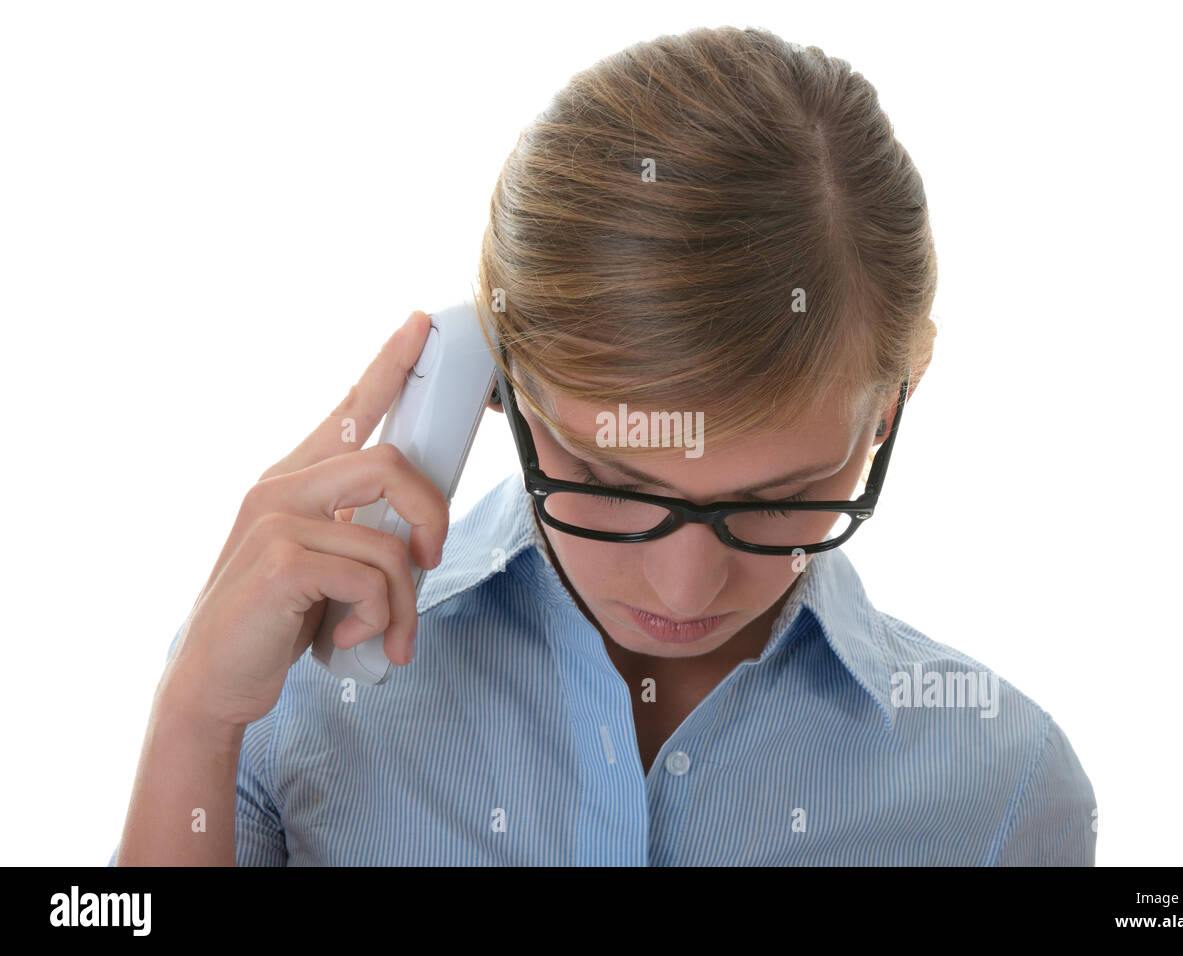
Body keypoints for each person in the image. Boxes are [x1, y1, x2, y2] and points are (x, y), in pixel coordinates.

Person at [111, 25, 1096, 866]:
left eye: (781, 496)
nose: (681, 588)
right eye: (610, 480)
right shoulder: (280, 684)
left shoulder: (1001, 790)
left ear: (893, 405)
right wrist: (193, 719)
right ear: (495, 386)